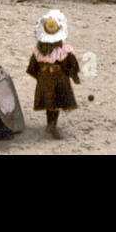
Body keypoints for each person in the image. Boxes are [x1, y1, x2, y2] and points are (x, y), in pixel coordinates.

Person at [26, 10, 80, 139]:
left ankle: (49, 124)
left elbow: (33, 67)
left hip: (45, 79)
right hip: (59, 79)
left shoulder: (39, 50)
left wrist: (40, 78)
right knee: (57, 103)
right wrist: (74, 76)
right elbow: (71, 63)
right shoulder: (64, 49)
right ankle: (52, 126)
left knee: (48, 103)